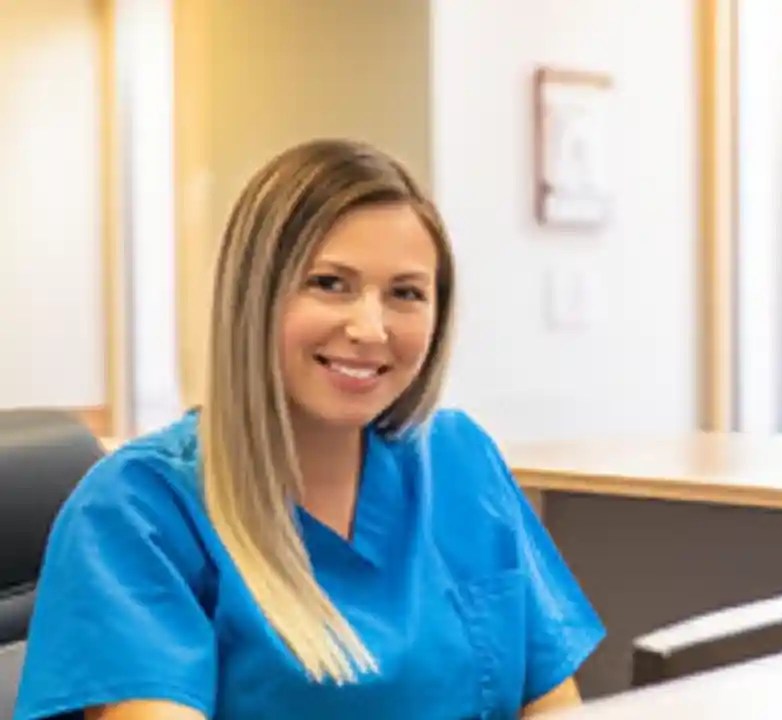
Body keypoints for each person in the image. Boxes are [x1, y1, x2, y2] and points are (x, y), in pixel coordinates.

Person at [15, 139, 606, 720]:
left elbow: (552, 702)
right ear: (256, 295)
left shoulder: (458, 459)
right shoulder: (137, 509)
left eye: (406, 293)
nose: (371, 328)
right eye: (330, 283)